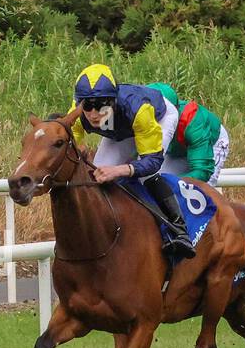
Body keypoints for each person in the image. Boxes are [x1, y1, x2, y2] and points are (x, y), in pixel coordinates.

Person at [71, 63, 195, 259]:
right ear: (79, 104)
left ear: (112, 101)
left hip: (156, 119)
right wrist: (80, 149)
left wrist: (120, 170)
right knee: (99, 174)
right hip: (122, 126)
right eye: (87, 105)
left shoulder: (139, 109)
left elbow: (151, 162)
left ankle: (179, 230)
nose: (94, 113)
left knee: (148, 176)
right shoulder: (78, 114)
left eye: (101, 104)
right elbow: (72, 140)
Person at [147, 82, 230, 185]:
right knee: (153, 181)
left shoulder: (193, 123)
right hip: (178, 146)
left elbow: (202, 172)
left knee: (203, 190)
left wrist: (173, 183)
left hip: (211, 144)